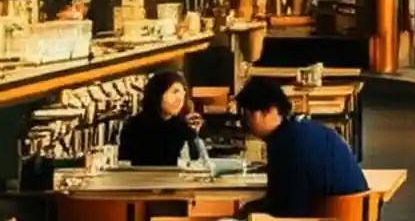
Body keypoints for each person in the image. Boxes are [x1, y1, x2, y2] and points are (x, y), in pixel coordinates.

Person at [234, 77, 367, 218]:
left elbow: (288, 209)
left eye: (249, 117)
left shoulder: (284, 145)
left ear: (270, 111)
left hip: (332, 214)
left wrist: (247, 210)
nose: (247, 124)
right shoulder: (309, 130)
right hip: (358, 211)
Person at [118, 70, 206, 166]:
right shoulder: (134, 126)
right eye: (175, 92)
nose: (180, 98)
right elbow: (124, 164)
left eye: (183, 93)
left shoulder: (183, 127)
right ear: (158, 94)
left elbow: (198, 164)